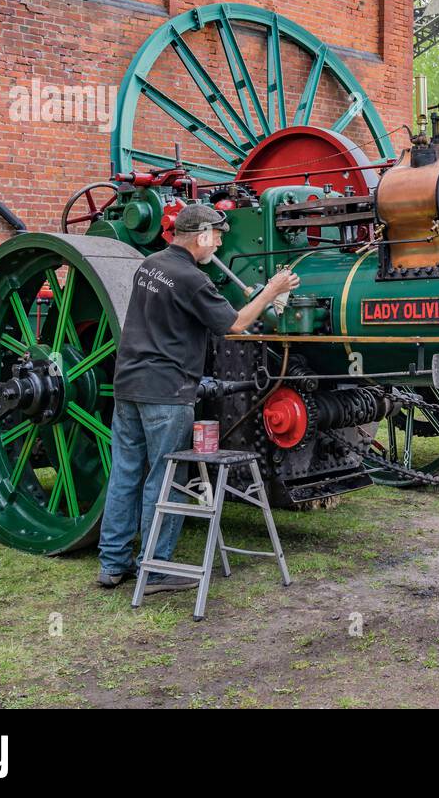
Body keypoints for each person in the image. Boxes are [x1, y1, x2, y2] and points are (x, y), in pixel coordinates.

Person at [97, 203, 298, 592]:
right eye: (218, 238)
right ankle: (154, 570)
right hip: (167, 393)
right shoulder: (191, 278)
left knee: (125, 473)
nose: (218, 246)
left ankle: (112, 564)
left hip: (129, 386)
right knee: (167, 478)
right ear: (202, 235)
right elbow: (236, 324)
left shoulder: (150, 265)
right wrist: (272, 290)